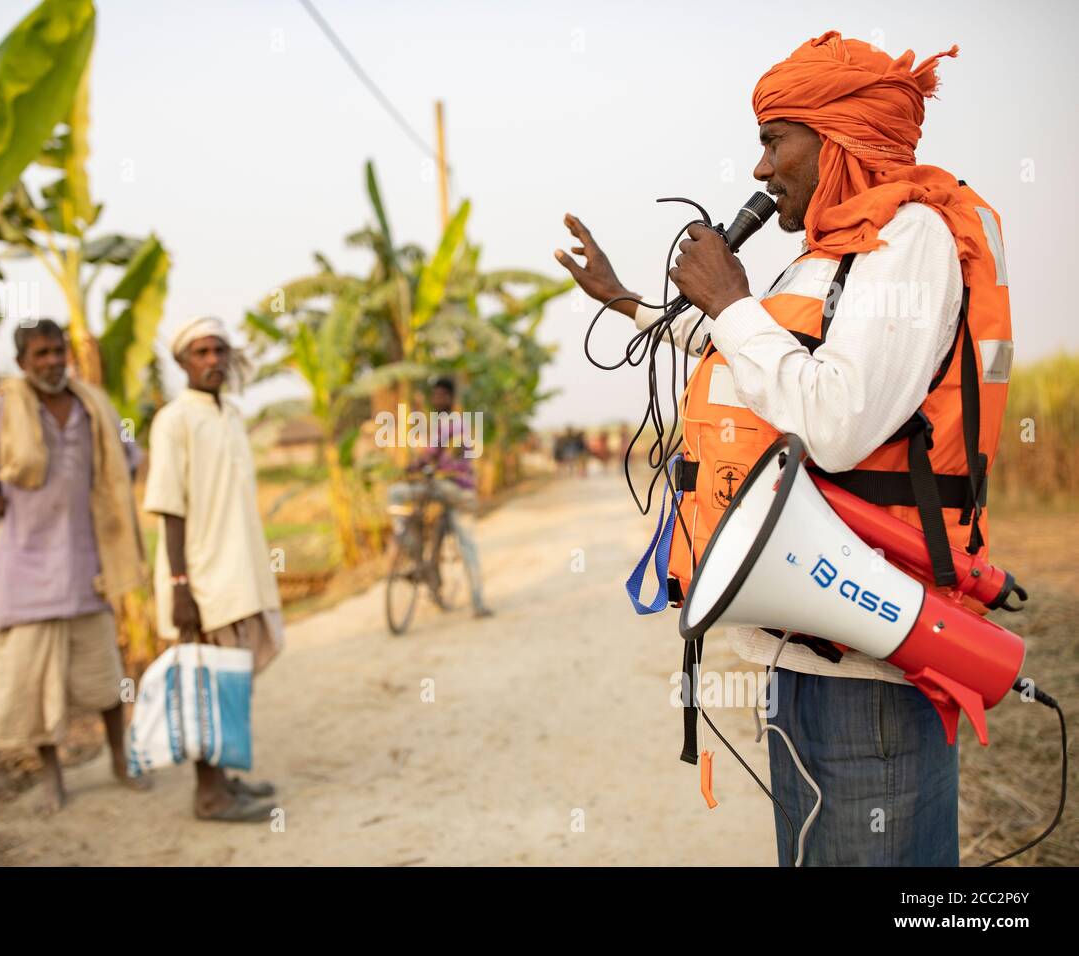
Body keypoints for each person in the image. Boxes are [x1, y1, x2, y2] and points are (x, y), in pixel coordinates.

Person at [556, 31, 1012, 866]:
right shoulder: (826, 259)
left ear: (838, 140)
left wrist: (732, 299)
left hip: (867, 657)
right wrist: (626, 300)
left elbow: (833, 420)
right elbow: (751, 357)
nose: (760, 171)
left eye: (774, 141)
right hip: (806, 640)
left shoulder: (908, 243)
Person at [0, 320, 150, 813]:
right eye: (40, 354)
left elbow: (129, 458)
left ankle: (119, 761)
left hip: (86, 565)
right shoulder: (3, 408)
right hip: (23, 569)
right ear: (23, 362)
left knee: (104, 677)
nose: (51, 362)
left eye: (57, 352)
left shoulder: (93, 405)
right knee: (33, 685)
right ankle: (53, 780)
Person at [143, 316, 283, 822]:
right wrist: (182, 587)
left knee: (228, 682)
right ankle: (208, 796)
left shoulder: (230, 414)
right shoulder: (174, 421)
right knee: (204, 687)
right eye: (199, 353)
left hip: (239, 576)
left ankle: (225, 781)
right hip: (201, 580)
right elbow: (169, 508)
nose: (211, 361)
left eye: (218, 351)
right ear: (181, 362)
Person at [387, 376, 493, 618]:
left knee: (467, 546)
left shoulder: (454, 423)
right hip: (441, 487)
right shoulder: (439, 424)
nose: (437, 400)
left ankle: (476, 600)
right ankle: (416, 555)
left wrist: (415, 466)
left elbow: (431, 454)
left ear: (450, 399)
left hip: (456, 490)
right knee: (400, 496)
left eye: (441, 396)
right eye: (434, 395)